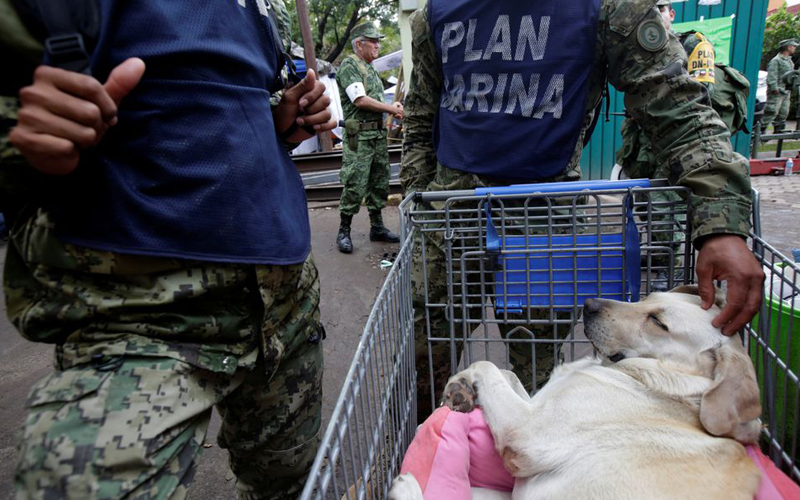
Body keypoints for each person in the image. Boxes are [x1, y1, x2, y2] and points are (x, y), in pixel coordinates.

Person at [2, 0, 336, 498]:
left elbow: (213, 106)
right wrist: (20, 140)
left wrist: (279, 123)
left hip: (285, 306)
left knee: (292, 485)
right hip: (141, 320)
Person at [402, 0, 765, 421]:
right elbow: (422, 110)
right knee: (427, 354)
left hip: (542, 220)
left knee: (536, 363)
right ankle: (430, 450)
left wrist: (721, 224)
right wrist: (418, 199)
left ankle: (529, 461)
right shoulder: (439, 11)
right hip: (449, 215)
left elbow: (677, 106)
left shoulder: (607, 7)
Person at [618, 0, 750, 292]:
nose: (655, 14)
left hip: (677, 158)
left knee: (668, 216)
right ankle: (664, 256)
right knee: (651, 211)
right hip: (647, 155)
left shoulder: (695, 46)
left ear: (671, 14)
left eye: (661, 8)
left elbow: (699, 99)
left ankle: (672, 271)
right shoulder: (638, 47)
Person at [335, 22, 405, 254]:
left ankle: (377, 227)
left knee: (378, 182)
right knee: (355, 183)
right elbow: (360, 100)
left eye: (378, 41)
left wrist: (391, 107)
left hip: (376, 135)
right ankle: (344, 231)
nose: (377, 45)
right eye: (373, 41)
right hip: (360, 137)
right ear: (359, 44)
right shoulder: (350, 65)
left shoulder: (370, 68)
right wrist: (390, 108)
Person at [762, 38, 799, 134]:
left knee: (784, 111)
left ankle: (779, 128)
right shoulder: (776, 60)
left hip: (786, 90)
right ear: (788, 47)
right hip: (777, 91)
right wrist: (774, 88)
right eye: (793, 46)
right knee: (772, 110)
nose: (794, 48)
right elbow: (772, 76)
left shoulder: (789, 61)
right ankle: (761, 128)